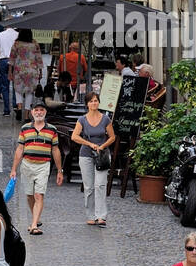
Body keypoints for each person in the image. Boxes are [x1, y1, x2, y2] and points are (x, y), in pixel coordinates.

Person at [8, 98, 64, 234]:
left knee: (39, 195)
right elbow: (20, 149)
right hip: (27, 165)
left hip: (43, 165)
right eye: (36, 110)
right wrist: (14, 169)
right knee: (29, 195)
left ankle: (33, 225)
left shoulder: (52, 130)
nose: (39, 112)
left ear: (45, 112)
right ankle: (36, 217)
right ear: (32, 112)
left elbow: (55, 150)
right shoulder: (25, 128)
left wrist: (59, 170)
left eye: (42, 110)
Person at [71, 91, 116, 226]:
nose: (93, 103)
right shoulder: (82, 120)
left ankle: (101, 216)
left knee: (100, 185)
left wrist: (102, 146)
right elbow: (75, 136)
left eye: (95, 100)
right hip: (86, 155)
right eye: (91, 101)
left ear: (99, 102)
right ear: (87, 104)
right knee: (89, 187)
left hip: (101, 155)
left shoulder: (105, 119)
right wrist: (89, 144)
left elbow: (112, 137)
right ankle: (90, 215)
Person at [9, 27, 44, 120]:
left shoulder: (17, 44)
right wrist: (40, 71)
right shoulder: (34, 43)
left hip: (19, 70)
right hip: (32, 70)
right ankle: (26, 115)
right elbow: (39, 58)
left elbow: (12, 58)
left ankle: (19, 107)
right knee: (30, 92)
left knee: (18, 90)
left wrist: (10, 71)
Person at [0, 21, 18, 116]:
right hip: (15, 60)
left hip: (3, 60)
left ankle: (6, 110)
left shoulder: (1, 35)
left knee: (5, 86)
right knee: (16, 85)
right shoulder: (17, 35)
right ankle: (16, 105)